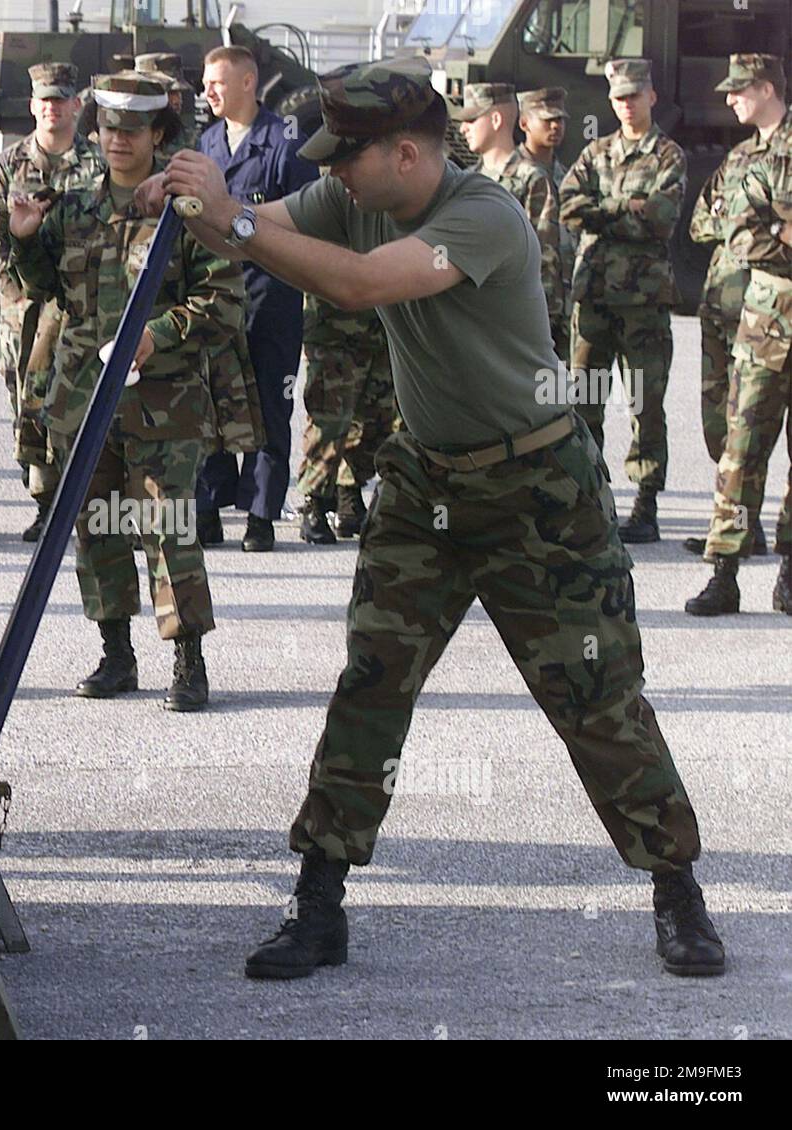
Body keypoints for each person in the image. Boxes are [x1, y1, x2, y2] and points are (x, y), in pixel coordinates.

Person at [146, 56, 723, 981]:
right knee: (371, 685)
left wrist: (236, 216)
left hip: (537, 493)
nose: (332, 174)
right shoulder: (359, 195)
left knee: (595, 700)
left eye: (349, 157)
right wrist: (202, 202)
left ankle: (677, 888)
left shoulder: (482, 216)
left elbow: (361, 285)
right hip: (425, 486)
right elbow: (263, 237)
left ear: (408, 153)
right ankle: (320, 900)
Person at [8, 72, 252, 711]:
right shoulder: (75, 207)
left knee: (167, 525)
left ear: (158, 135)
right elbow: (46, 289)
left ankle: (187, 657)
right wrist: (27, 238)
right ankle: (116, 651)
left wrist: (158, 333)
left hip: (162, 403)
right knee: (94, 525)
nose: (119, 139)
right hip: (82, 397)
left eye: (134, 129)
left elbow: (223, 303)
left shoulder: (187, 211)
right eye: (110, 127)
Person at [193, 44, 318, 552]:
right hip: (216, 298)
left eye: (217, 82)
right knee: (211, 403)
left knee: (270, 402)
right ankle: (209, 506)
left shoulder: (285, 142)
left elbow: (307, 219)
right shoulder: (206, 143)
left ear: (248, 83)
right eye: (206, 83)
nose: (209, 92)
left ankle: (262, 515)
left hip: (272, 296)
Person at [559, 59, 686, 544]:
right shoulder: (596, 152)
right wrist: (623, 207)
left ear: (652, 96)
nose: (627, 104)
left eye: (635, 95)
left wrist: (602, 212)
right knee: (585, 399)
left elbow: (660, 218)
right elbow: (570, 205)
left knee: (644, 403)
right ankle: (592, 497)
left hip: (644, 302)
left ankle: (647, 503)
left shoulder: (668, 155)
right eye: (619, 98)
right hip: (592, 298)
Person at [685, 55, 791, 617]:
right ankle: (724, 571)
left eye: (739, 90)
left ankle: (790, 572)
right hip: (764, 323)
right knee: (741, 450)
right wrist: (777, 225)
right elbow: (723, 229)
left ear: (767, 88)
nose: (729, 100)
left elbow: (745, 231)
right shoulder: (741, 157)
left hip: (774, 307)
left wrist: (760, 224)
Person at [0, 62, 105, 543]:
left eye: (61, 99)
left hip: (81, 308)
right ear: (33, 106)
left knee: (81, 404)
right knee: (29, 408)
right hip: (24, 312)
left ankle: (87, 504)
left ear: (77, 104)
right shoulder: (8, 164)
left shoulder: (99, 165)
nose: (52, 108)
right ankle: (45, 501)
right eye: (44, 100)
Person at [457, 83, 565, 355]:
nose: (462, 128)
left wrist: (544, 326)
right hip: (474, 321)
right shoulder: (465, 181)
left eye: (471, 119)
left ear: (495, 120)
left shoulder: (531, 179)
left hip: (517, 325)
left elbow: (544, 258)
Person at [296, 296, 395, 543]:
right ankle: (314, 503)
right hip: (333, 330)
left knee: (377, 419)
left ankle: (349, 494)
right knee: (329, 420)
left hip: (381, 328)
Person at [519, 86, 576, 363]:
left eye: (560, 120)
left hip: (563, 307)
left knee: (559, 395)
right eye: (547, 120)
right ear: (524, 123)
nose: (555, 126)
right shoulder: (512, 177)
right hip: (526, 307)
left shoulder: (568, 177)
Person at [135, 52, 198, 161]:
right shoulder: (125, 139)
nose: (177, 100)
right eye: (168, 93)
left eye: (178, 92)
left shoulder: (191, 139)